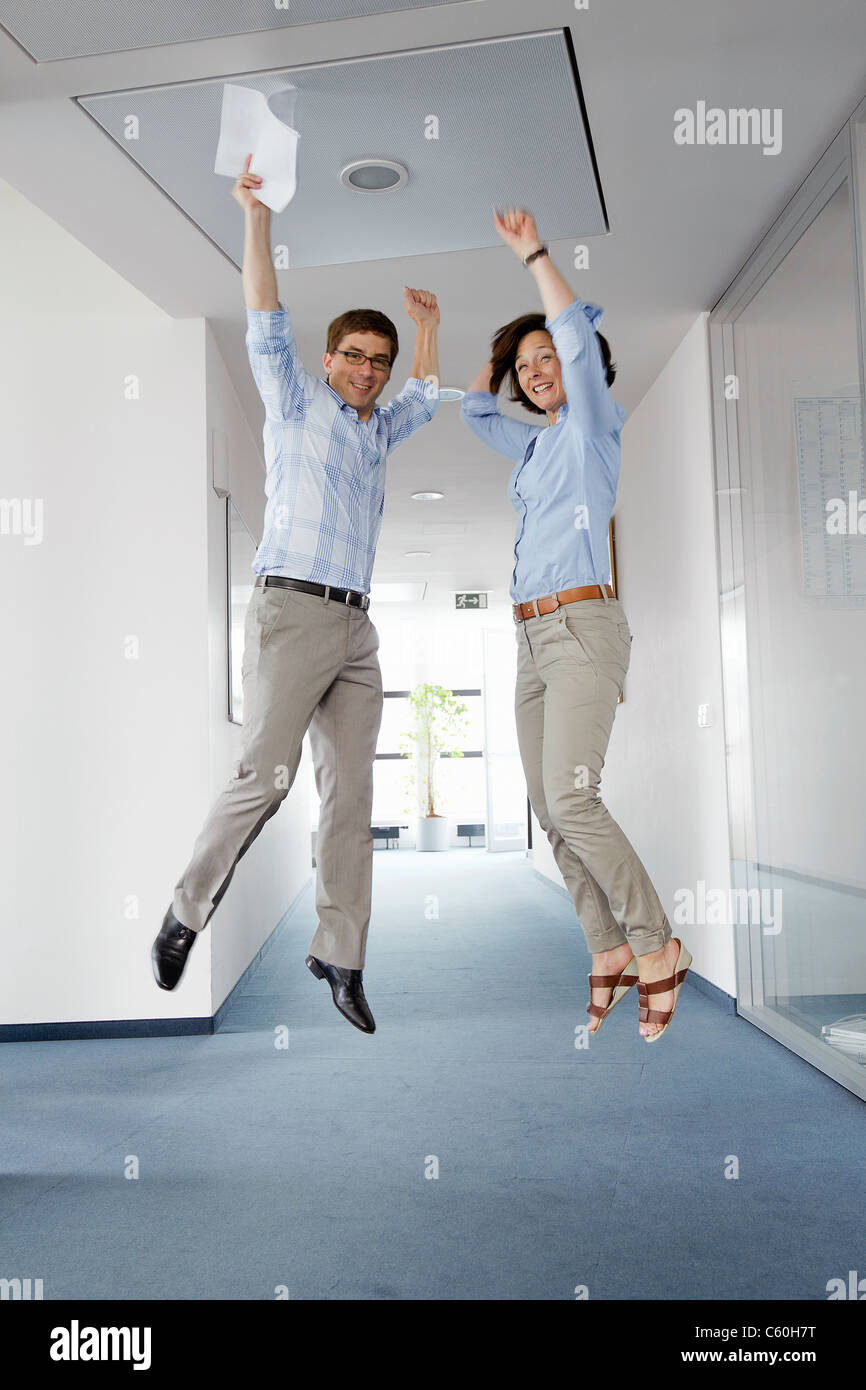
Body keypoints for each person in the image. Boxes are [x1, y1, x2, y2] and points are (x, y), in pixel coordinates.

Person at [151, 155, 441, 1033]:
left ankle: (340, 954)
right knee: (267, 778)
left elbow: (427, 393)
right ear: (328, 358)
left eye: (379, 361)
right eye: (354, 355)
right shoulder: (291, 399)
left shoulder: (380, 428)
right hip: (290, 612)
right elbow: (263, 311)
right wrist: (257, 217)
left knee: (352, 796)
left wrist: (429, 328)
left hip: (356, 630)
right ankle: (186, 911)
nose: (367, 369)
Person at [460, 208, 690, 1041]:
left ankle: (656, 943)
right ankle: (606, 948)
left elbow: (566, 330)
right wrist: (500, 362)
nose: (536, 370)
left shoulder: (594, 427)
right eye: (525, 366)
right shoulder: (534, 448)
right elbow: (477, 416)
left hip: (584, 627)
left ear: (581, 364)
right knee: (548, 809)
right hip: (529, 642)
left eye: (547, 357)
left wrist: (535, 258)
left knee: (573, 795)